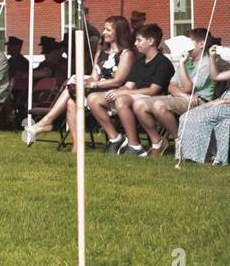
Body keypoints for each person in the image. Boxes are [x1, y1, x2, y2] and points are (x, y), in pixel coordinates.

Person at [27, 16, 134, 148]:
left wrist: (93, 84)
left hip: (113, 94)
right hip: (96, 91)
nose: (104, 32)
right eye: (104, 29)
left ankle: (46, 122)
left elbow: (118, 81)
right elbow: (95, 76)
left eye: (108, 30)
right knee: (71, 100)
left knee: (72, 95)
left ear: (119, 32)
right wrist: (84, 80)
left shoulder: (127, 54)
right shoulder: (101, 53)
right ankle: (77, 146)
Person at [89, 23, 174, 156]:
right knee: (93, 98)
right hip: (133, 97)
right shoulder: (139, 62)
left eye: (139, 40)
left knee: (121, 100)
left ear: (151, 41)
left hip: (152, 99)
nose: (135, 43)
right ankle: (116, 138)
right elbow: (129, 85)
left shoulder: (163, 63)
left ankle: (134, 145)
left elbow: (153, 91)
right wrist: (116, 91)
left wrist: (123, 93)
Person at [133, 28, 220, 157]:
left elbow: (189, 87)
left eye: (189, 43)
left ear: (201, 44)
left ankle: (179, 141)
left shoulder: (206, 63)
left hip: (200, 100)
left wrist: (183, 67)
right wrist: (183, 94)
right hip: (182, 98)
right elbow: (171, 86)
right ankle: (157, 142)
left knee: (158, 106)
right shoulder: (187, 60)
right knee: (139, 104)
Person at [174, 51, 230, 163]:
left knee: (203, 118)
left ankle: (199, 156)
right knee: (187, 116)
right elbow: (215, 76)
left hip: (226, 103)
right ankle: (185, 154)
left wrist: (222, 101)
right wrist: (212, 58)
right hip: (224, 101)